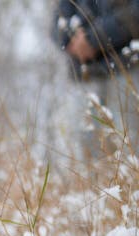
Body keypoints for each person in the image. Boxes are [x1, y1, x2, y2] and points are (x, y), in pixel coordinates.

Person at [53, 1, 139, 155]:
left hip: (127, 68)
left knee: (130, 145)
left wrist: (93, 38)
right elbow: (57, 24)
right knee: (83, 151)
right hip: (84, 77)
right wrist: (75, 41)